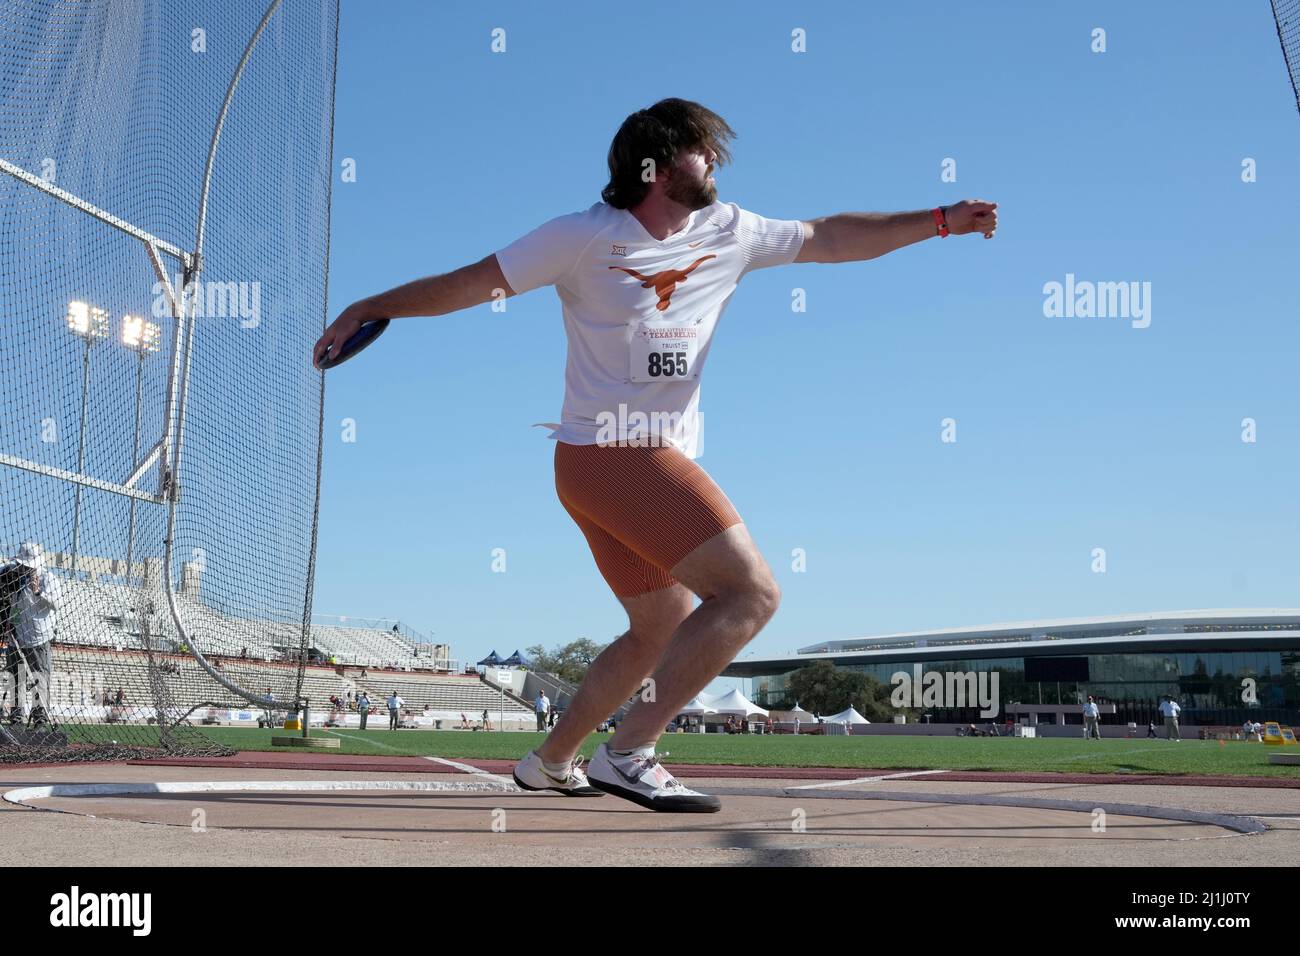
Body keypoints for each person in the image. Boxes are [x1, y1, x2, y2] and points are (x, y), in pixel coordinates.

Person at [314, 98, 996, 813]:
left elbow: (831, 236)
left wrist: (940, 221)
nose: (717, 163)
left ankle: (551, 760)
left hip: (604, 469)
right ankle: (629, 751)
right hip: (613, 455)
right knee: (751, 593)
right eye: (705, 150)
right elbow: (467, 284)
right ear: (661, 164)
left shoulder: (731, 232)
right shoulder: (581, 237)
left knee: (658, 626)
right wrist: (371, 304)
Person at [2, 543, 63, 728]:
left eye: (26, 566)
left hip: (39, 639)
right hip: (16, 637)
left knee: (40, 680)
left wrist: (38, 591)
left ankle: (40, 720)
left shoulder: (48, 578)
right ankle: (16, 719)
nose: (23, 569)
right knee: (15, 679)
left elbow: (56, 603)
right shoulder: (12, 577)